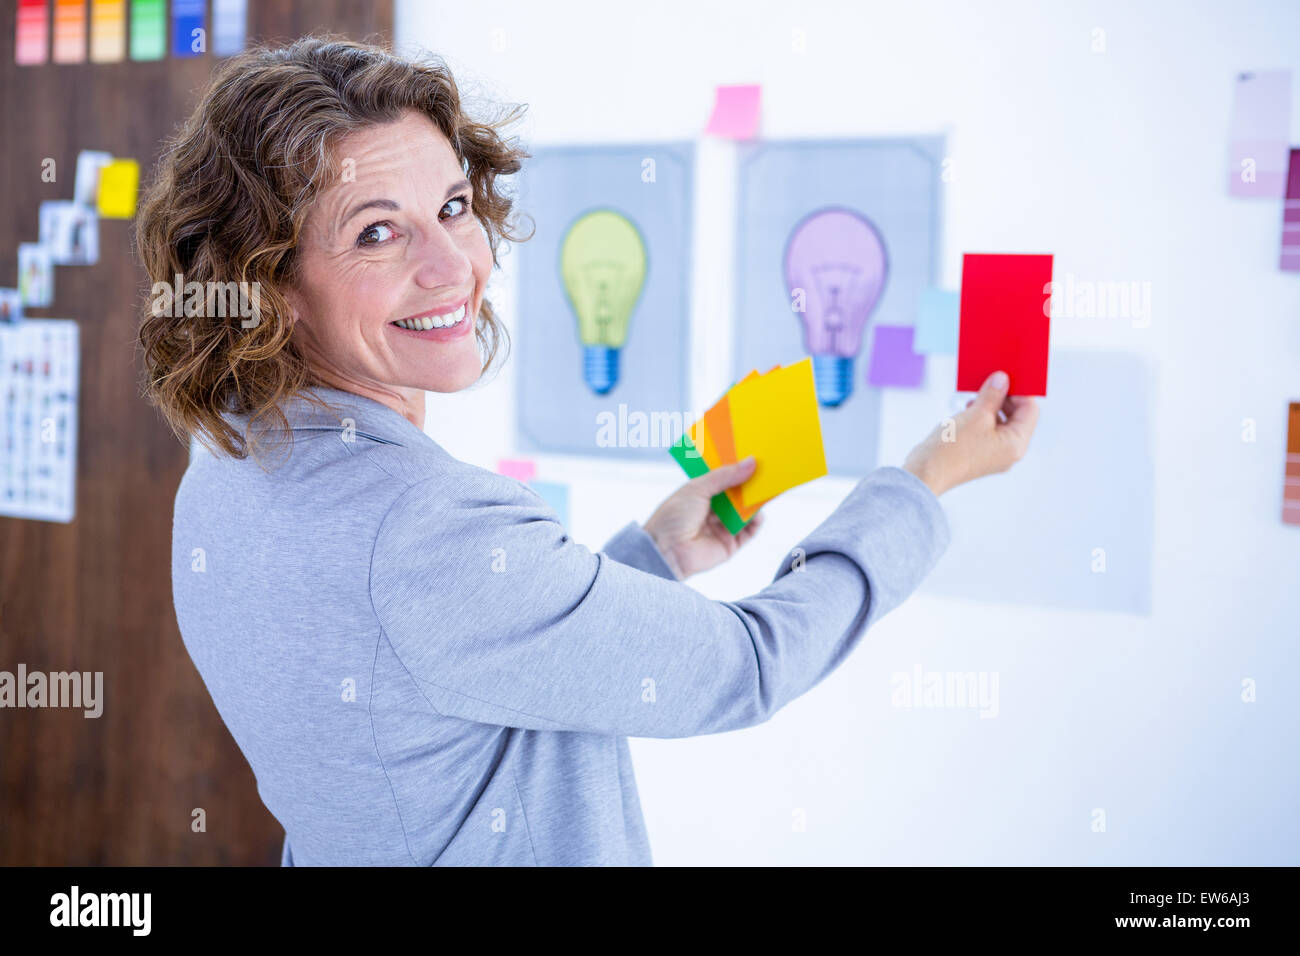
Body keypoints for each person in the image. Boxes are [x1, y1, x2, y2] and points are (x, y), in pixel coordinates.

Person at [136, 36, 1038, 866]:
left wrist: (654, 555)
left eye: (453, 207)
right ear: (271, 280)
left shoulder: (224, 467)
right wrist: (927, 481)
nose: (454, 264)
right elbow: (751, 665)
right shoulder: (422, 523)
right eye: (377, 231)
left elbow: (443, 673)